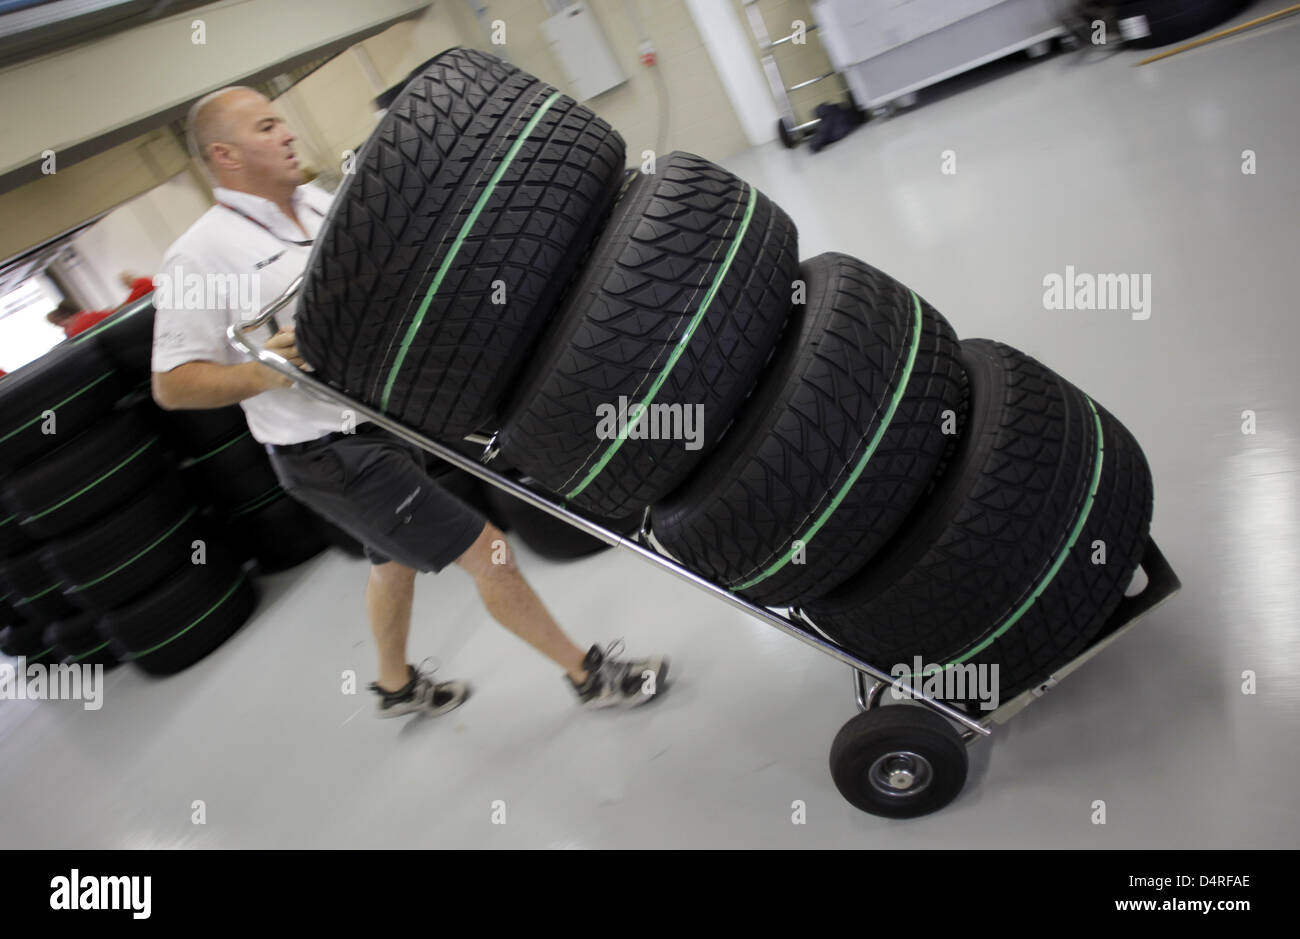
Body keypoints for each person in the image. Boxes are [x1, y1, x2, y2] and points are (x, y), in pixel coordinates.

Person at [150, 85, 667, 718]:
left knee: (391, 563)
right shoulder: (198, 255)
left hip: (383, 419)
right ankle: (589, 677)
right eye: (265, 127)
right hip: (328, 453)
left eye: (280, 121)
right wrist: (266, 371)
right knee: (493, 554)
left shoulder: (319, 204)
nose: (286, 134)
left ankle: (395, 687)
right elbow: (172, 383)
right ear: (225, 156)